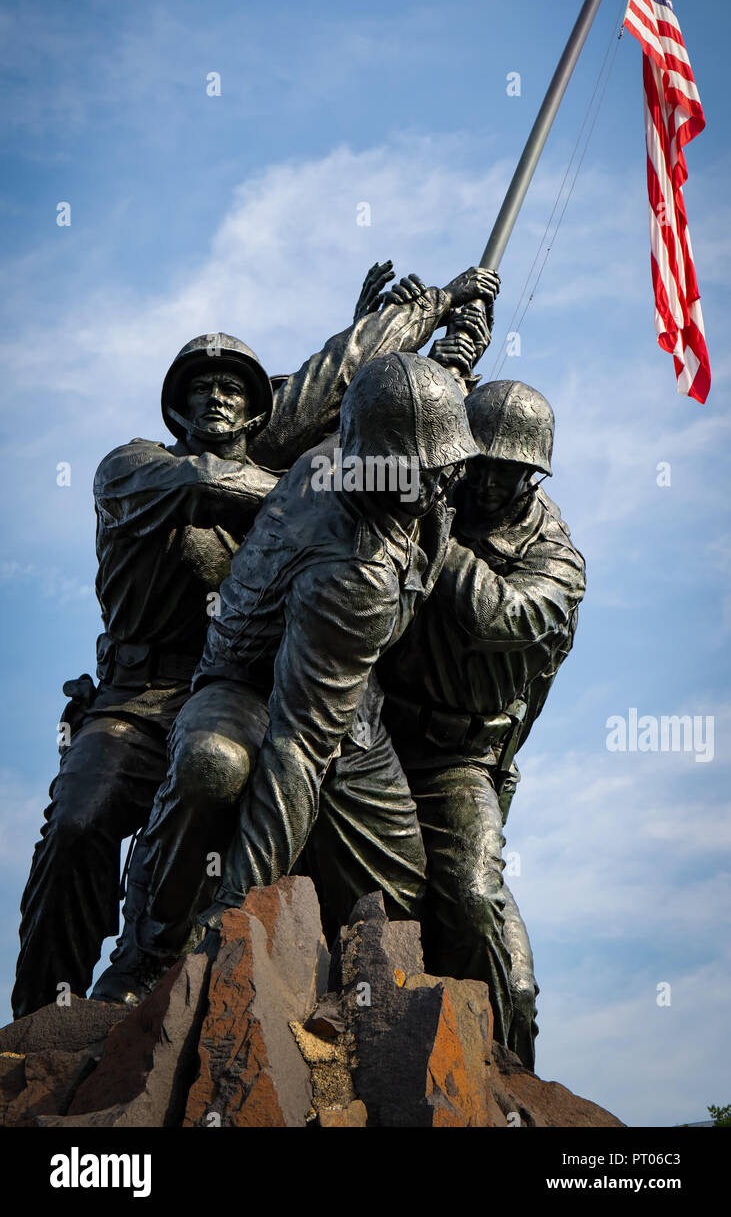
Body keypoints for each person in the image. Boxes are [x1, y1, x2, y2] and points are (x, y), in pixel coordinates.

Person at [12, 261, 497, 1019]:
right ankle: (56, 1013)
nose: (218, 398)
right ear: (175, 409)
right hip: (143, 702)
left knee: (368, 852)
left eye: (236, 389)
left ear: (255, 410)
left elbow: (333, 376)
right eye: (200, 389)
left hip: (266, 691)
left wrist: (435, 314)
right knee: (78, 824)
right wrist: (331, 481)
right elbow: (219, 486)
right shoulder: (136, 468)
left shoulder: (303, 467)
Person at [91, 352, 481, 1005]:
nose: (449, 480)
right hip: (249, 691)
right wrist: (236, 918)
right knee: (213, 764)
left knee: (397, 891)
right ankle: (148, 954)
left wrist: (443, 362)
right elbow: (296, 749)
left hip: (352, 701)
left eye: (448, 462)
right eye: (434, 468)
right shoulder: (353, 571)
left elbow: (383, 402)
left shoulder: (363, 454)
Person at [377, 378, 586, 1069]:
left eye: (511, 470)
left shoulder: (555, 558)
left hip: (458, 760)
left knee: (471, 899)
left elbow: (503, 617)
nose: (491, 483)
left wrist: (437, 539)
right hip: (371, 737)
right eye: (482, 463)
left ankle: (491, 1071)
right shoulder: (433, 486)